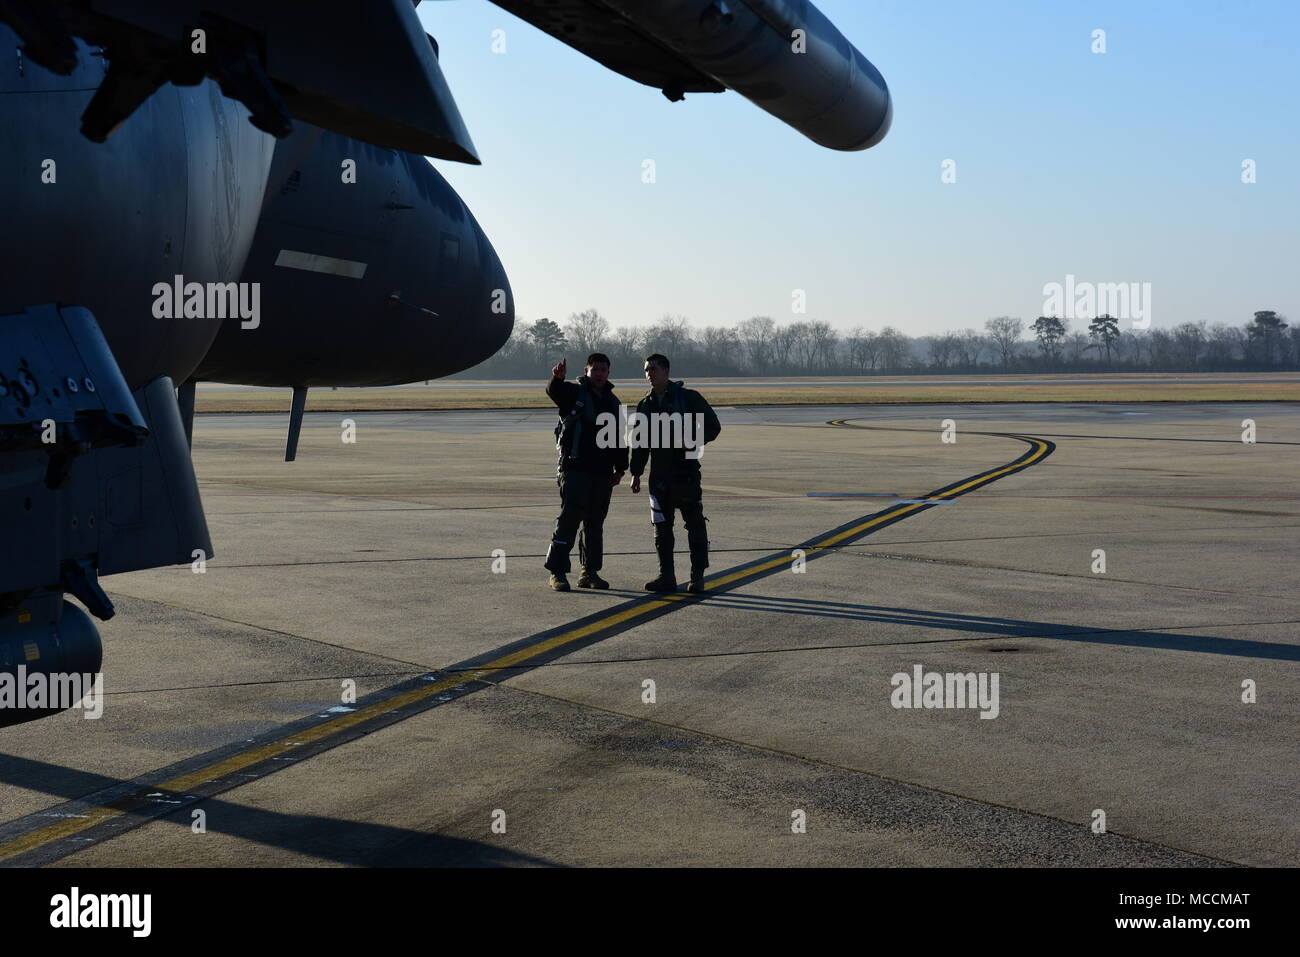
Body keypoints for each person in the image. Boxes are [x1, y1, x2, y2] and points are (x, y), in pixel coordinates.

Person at [628, 353, 721, 593]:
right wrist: (636, 473)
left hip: (685, 473)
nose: (650, 374)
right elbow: (639, 442)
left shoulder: (689, 398)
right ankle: (666, 576)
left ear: (667, 371)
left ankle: (697, 576)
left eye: (654, 369)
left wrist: (690, 440)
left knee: (695, 526)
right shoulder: (646, 404)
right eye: (647, 370)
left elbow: (713, 427)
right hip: (658, 477)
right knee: (661, 529)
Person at [543, 353, 627, 591]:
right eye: (596, 369)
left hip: (602, 472)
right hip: (575, 468)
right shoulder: (572, 393)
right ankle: (557, 572)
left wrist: (621, 468)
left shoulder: (613, 402)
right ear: (587, 370)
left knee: (595, 523)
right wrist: (557, 379)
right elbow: (554, 393)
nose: (600, 374)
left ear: (608, 373)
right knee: (569, 519)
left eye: (604, 370)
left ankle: (589, 572)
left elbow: (618, 438)